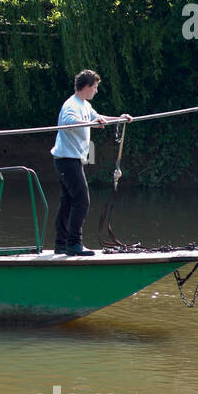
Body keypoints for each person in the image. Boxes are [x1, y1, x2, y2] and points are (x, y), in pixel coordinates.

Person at [49, 70, 132, 256]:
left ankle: (61, 244)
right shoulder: (71, 105)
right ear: (86, 87)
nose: (96, 91)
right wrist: (91, 124)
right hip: (66, 160)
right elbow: (69, 122)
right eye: (94, 87)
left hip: (70, 160)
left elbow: (96, 117)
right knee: (82, 200)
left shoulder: (85, 105)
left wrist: (119, 119)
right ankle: (74, 244)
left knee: (68, 201)